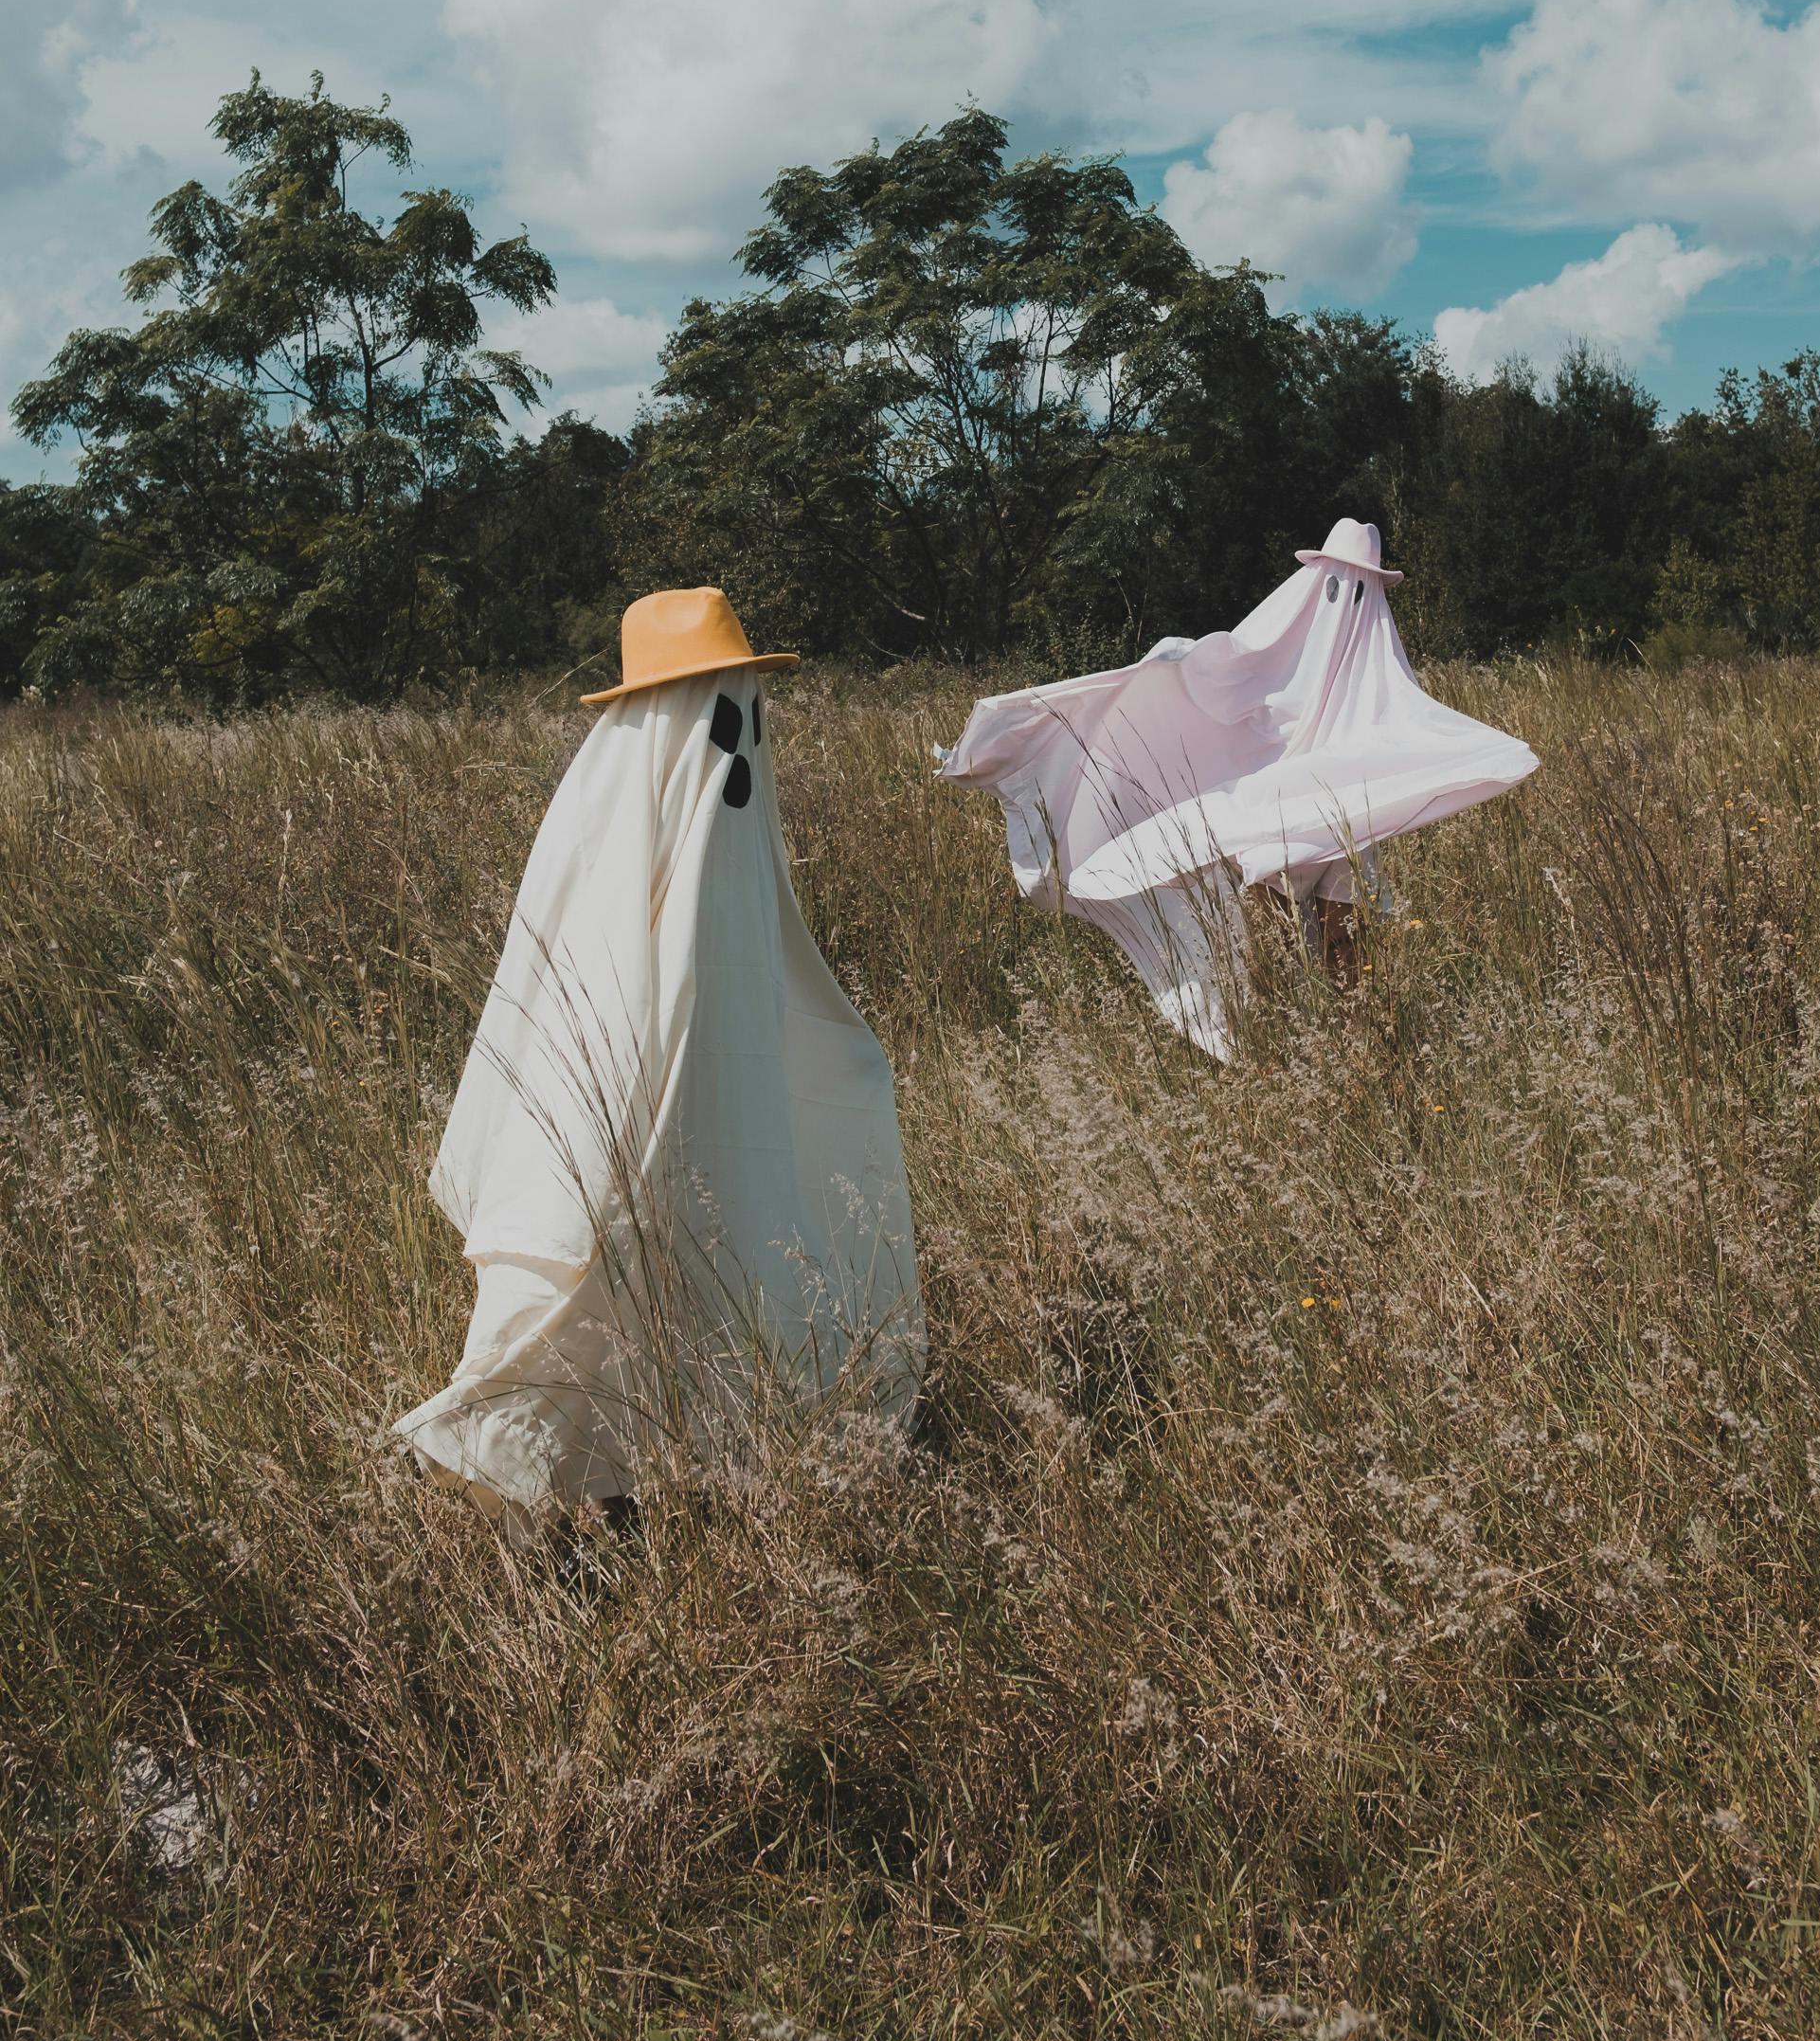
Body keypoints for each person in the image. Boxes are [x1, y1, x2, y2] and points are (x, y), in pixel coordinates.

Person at [396, 587, 926, 1524]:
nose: (736, 733)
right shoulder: (618, 823)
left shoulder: (732, 830)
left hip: (731, 1095)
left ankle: (717, 1461)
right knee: (628, 1267)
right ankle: (601, 1480)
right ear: (658, 716)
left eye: (743, 706)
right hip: (639, 1098)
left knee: (730, 1256)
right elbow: (593, 986)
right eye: (713, 705)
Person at [939, 518, 1538, 1056]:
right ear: (1320, 583)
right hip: (1297, 823)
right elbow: (1211, 691)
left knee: (1330, 935)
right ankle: (1308, 1045)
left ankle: (1333, 1047)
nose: (1344, 603)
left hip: (1334, 816)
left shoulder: (1342, 665)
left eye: (1355, 590)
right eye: (1338, 587)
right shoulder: (1277, 659)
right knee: (1298, 937)